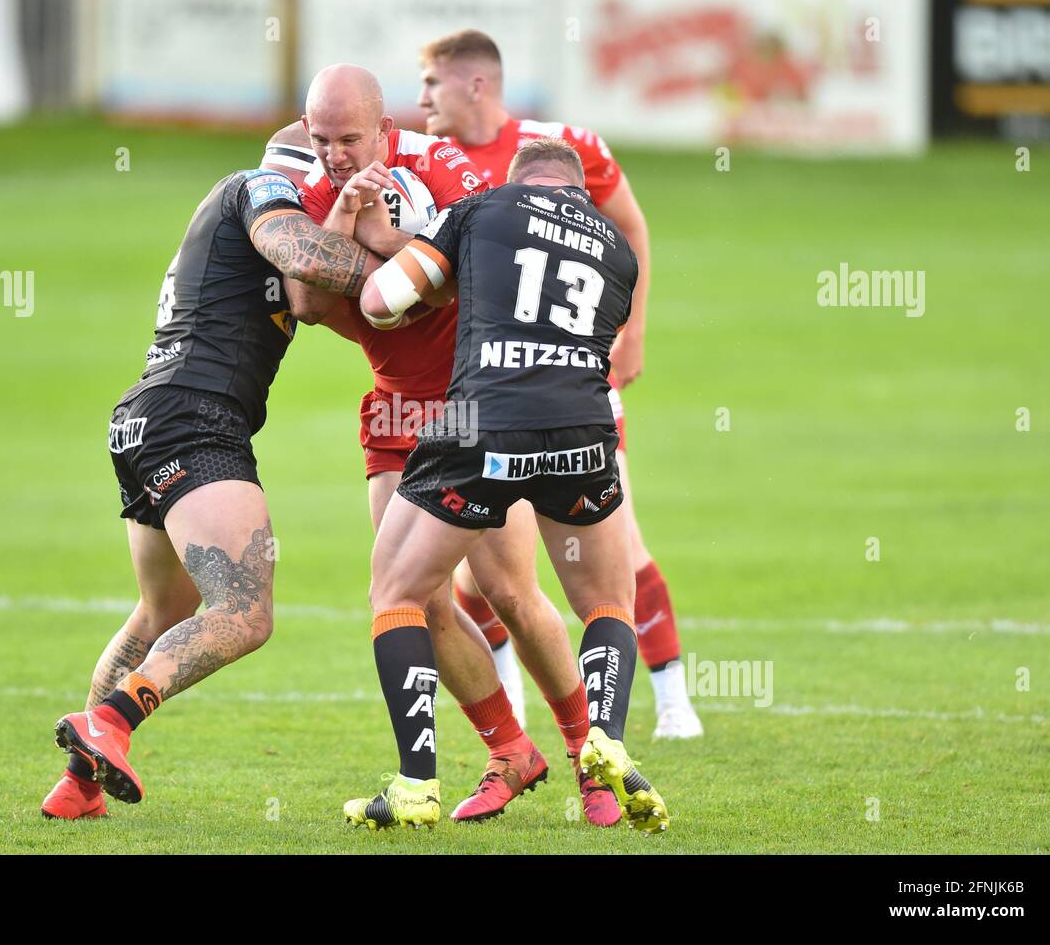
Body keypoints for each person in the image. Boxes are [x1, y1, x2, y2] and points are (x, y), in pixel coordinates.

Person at [288, 65, 617, 824]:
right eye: (321, 139)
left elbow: (478, 267)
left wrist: (379, 239)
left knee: (508, 590)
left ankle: (588, 761)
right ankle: (510, 749)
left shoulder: (438, 165)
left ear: (384, 128)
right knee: (415, 596)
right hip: (395, 409)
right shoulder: (317, 185)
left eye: (348, 139)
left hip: (473, 405)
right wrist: (342, 215)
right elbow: (306, 298)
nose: (334, 153)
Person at [40, 142, 382, 818]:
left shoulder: (251, 221)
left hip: (147, 417)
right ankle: (111, 721)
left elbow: (312, 298)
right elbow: (313, 258)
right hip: (195, 421)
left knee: (161, 612)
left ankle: (79, 784)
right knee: (245, 611)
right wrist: (434, 267)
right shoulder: (258, 186)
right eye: (323, 174)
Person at [345, 138, 670, 833]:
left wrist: (382, 239)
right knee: (607, 597)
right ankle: (602, 742)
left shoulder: (480, 207)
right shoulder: (617, 250)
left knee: (396, 589)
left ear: (516, 182)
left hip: (483, 427)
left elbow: (380, 301)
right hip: (583, 428)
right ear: (575, 193)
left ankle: (415, 784)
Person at [418, 28, 702, 740]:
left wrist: (630, 334)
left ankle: (674, 700)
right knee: (485, 576)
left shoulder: (556, 148)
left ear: (475, 84)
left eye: (432, 83)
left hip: (572, 387)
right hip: (488, 397)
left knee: (620, 552)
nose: (420, 98)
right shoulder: (426, 165)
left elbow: (629, 225)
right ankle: (518, 706)